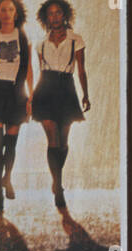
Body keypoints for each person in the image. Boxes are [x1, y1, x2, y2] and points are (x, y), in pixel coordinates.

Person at [32, 2, 90, 209]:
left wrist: (86, 94)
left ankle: (57, 178)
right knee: (53, 139)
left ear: (64, 15)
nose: (55, 17)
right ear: (45, 18)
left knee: (63, 142)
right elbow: (40, 71)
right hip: (45, 89)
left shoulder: (77, 40)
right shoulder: (41, 43)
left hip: (66, 89)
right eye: (50, 14)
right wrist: (33, 97)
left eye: (58, 13)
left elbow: (81, 70)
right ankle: (58, 186)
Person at [0, 0, 33, 213]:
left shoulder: (22, 36)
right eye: (3, 9)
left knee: (11, 144)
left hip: (17, 92)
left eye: (10, 9)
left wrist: (31, 96)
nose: (6, 13)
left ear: (16, 12)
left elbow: (28, 68)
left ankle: (8, 178)